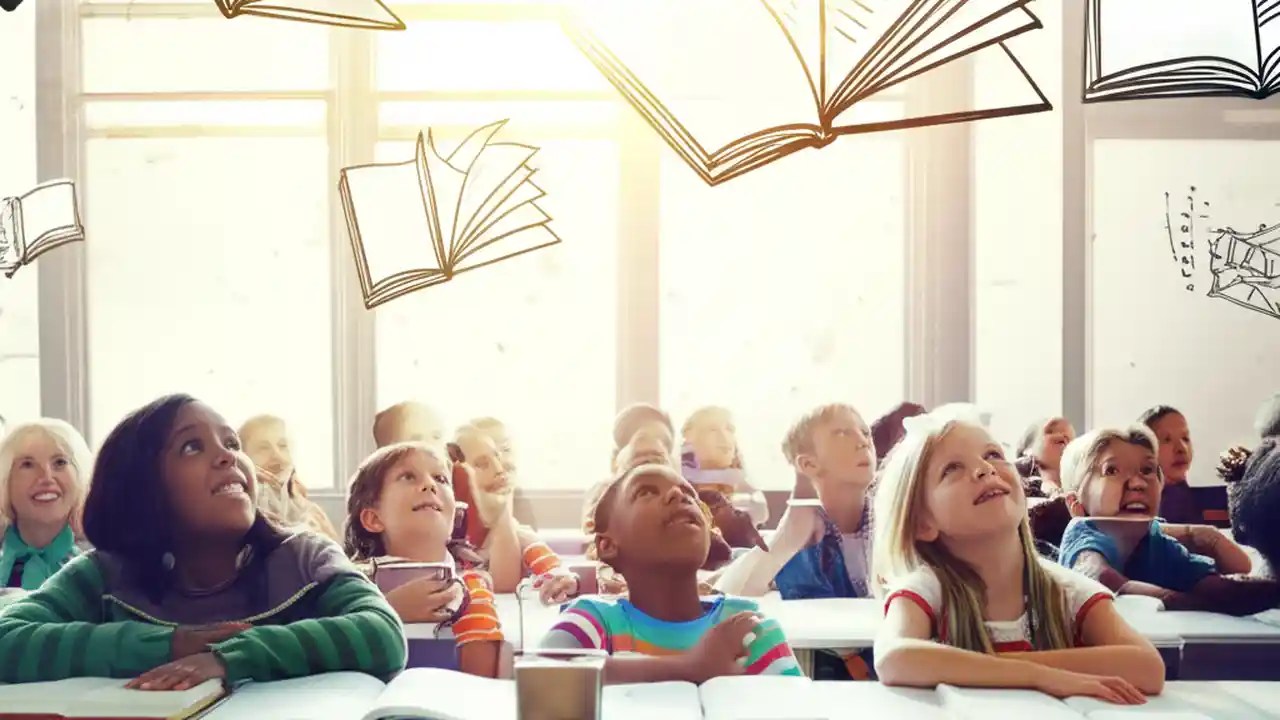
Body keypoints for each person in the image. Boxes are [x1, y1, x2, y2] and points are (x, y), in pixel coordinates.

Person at [0, 394, 406, 687]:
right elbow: (7, 638)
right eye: (193, 446)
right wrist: (168, 646)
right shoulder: (104, 576)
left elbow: (382, 632)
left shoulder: (305, 557)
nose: (228, 456)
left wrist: (232, 657)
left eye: (232, 443)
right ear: (142, 486)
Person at [872, 411, 1163, 703]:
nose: (985, 469)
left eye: (993, 454)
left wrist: (1002, 668)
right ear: (923, 522)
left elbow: (1147, 667)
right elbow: (894, 657)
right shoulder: (927, 589)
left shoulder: (1067, 591)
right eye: (952, 469)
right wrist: (1039, 677)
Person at [539, 463, 802, 683]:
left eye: (690, 495)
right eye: (646, 492)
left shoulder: (745, 627)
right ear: (607, 546)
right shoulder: (595, 620)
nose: (678, 494)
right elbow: (541, 674)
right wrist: (689, 668)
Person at [1058, 426, 1280, 616]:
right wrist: (1174, 599)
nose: (1138, 483)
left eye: (1147, 470)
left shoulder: (1155, 542)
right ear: (1076, 505)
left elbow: (1212, 583)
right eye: (1112, 470)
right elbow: (1101, 577)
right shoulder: (1084, 531)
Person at [345, 442, 503, 677]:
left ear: (456, 513)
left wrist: (471, 603)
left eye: (440, 478)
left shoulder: (471, 590)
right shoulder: (348, 585)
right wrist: (389, 610)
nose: (429, 484)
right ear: (373, 519)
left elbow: (480, 682)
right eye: (408, 476)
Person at [0, 419, 93, 589]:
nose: (46, 477)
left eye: (60, 462)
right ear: (5, 480)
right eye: (27, 464)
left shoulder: (103, 569)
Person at [239, 414, 339, 540]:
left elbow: (337, 550)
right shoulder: (245, 504)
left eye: (283, 446)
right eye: (263, 448)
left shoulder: (305, 506)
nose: (276, 454)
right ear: (243, 457)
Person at [1137, 406, 1199, 524]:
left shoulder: (1201, 500)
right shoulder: (1137, 506)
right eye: (1167, 439)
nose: (1181, 448)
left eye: (1185, 438)